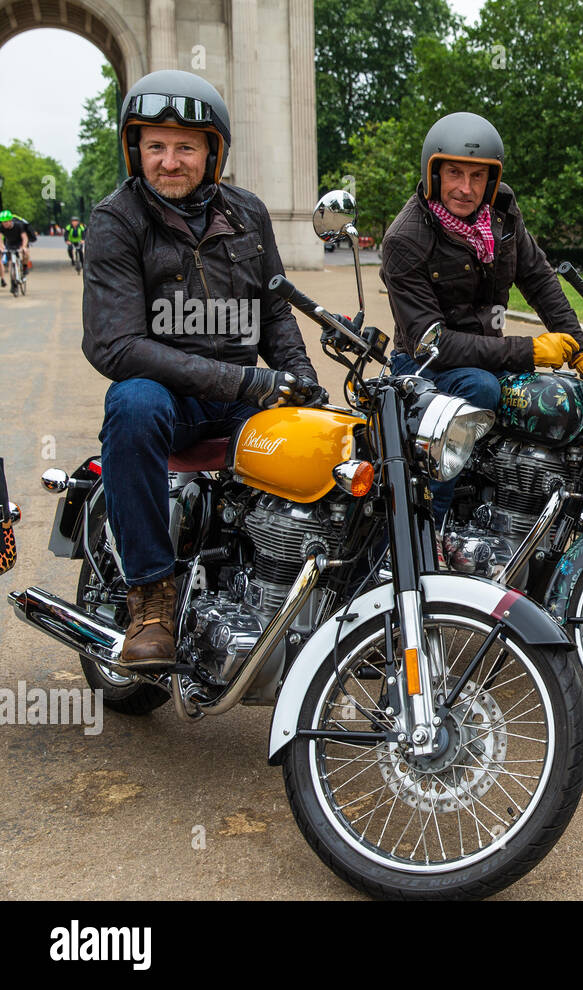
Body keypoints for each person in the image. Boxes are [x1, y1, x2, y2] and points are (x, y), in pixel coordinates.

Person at [81, 69, 325, 671]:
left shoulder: (248, 213)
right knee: (131, 403)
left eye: (185, 146)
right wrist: (246, 381)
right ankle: (151, 597)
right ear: (134, 148)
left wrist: (301, 380)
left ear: (213, 152)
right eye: (155, 146)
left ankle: (292, 586)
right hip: (170, 400)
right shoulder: (115, 220)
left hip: (243, 394)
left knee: (329, 442)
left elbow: (275, 311)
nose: (168, 161)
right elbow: (115, 345)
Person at [380, 111, 583, 519]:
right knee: (480, 389)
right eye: (455, 174)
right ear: (434, 173)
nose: (466, 188)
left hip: (486, 355)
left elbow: (539, 279)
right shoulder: (405, 238)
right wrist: (528, 350)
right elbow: (433, 341)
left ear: (492, 178)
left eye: (477, 176)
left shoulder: (502, 216)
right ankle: (431, 523)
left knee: (569, 399)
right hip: (423, 362)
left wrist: (579, 349)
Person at [1, 210, 33, 290]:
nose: (4, 223)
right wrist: (1, 246)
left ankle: (25, 267)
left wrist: (24, 247)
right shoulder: (1, 227)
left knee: (26, 253)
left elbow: (25, 238)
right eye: (2, 222)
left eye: (6, 222)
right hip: (10, 243)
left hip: (20, 242)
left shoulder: (19, 225)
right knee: (11, 262)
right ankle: (13, 282)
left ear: (10, 220)